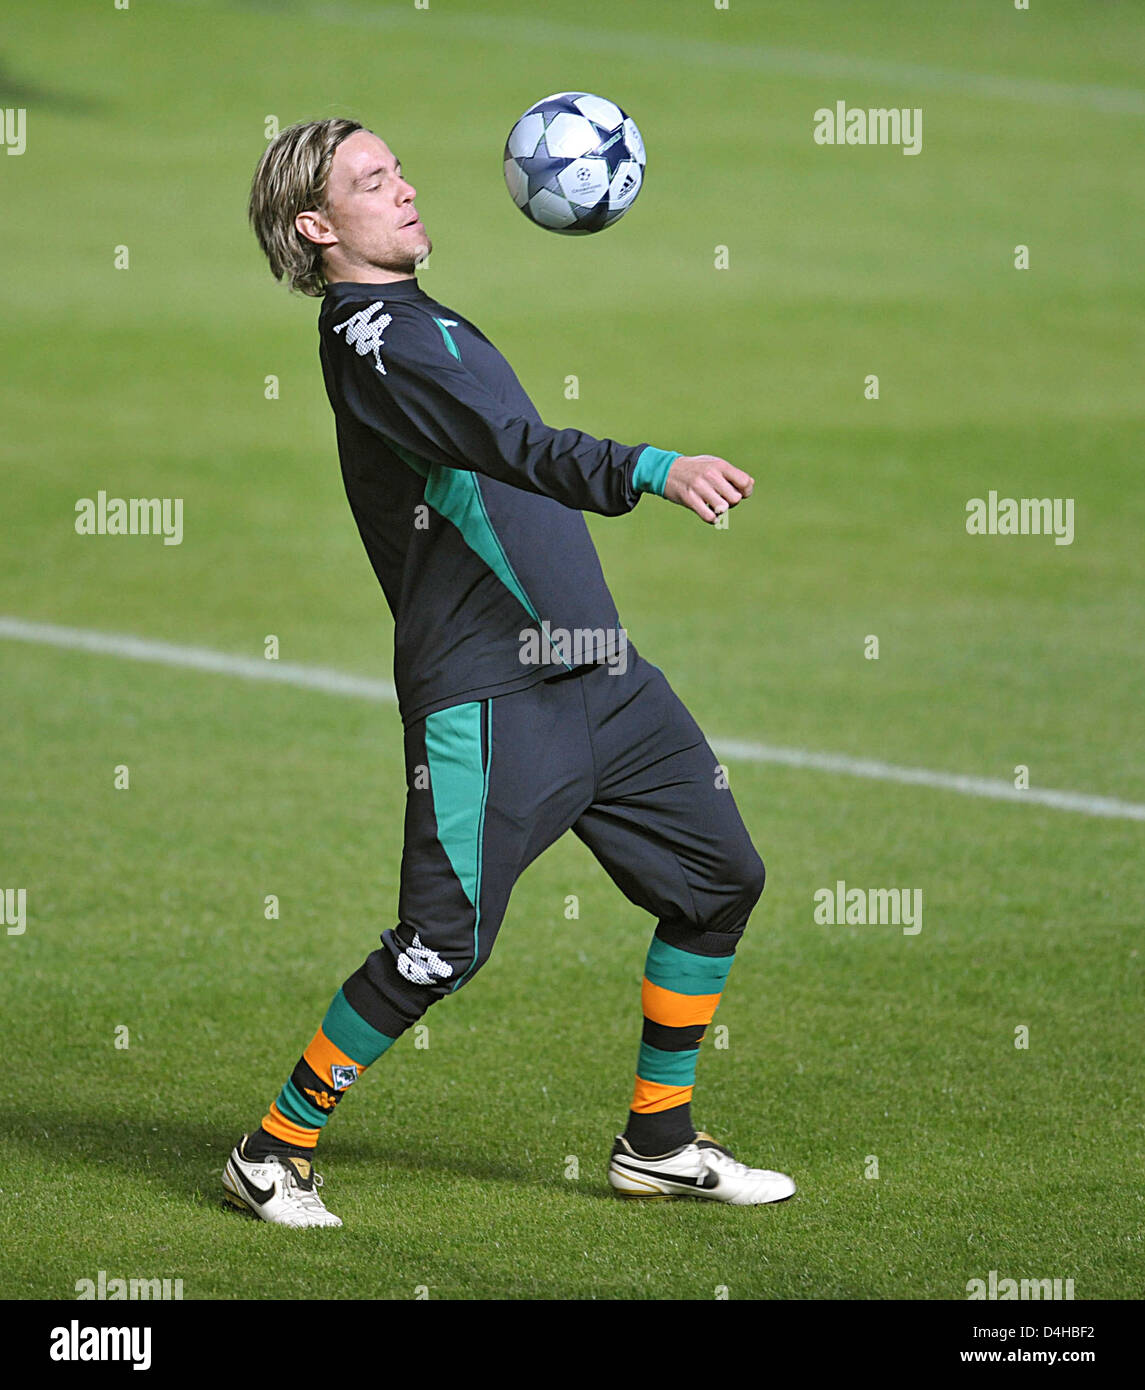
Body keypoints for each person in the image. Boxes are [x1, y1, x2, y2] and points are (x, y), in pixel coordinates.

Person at [226, 117, 795, 1227]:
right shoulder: (374, 344)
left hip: (596, 668)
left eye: (398, 168)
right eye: (370, 180)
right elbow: (517, 451)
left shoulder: (417, 320)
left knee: (716, 879)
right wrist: (651, 467)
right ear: (314, 225)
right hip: (489, 692)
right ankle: (272, 1148)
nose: (404, 190)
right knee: (439, 947)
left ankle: (658, 1141)